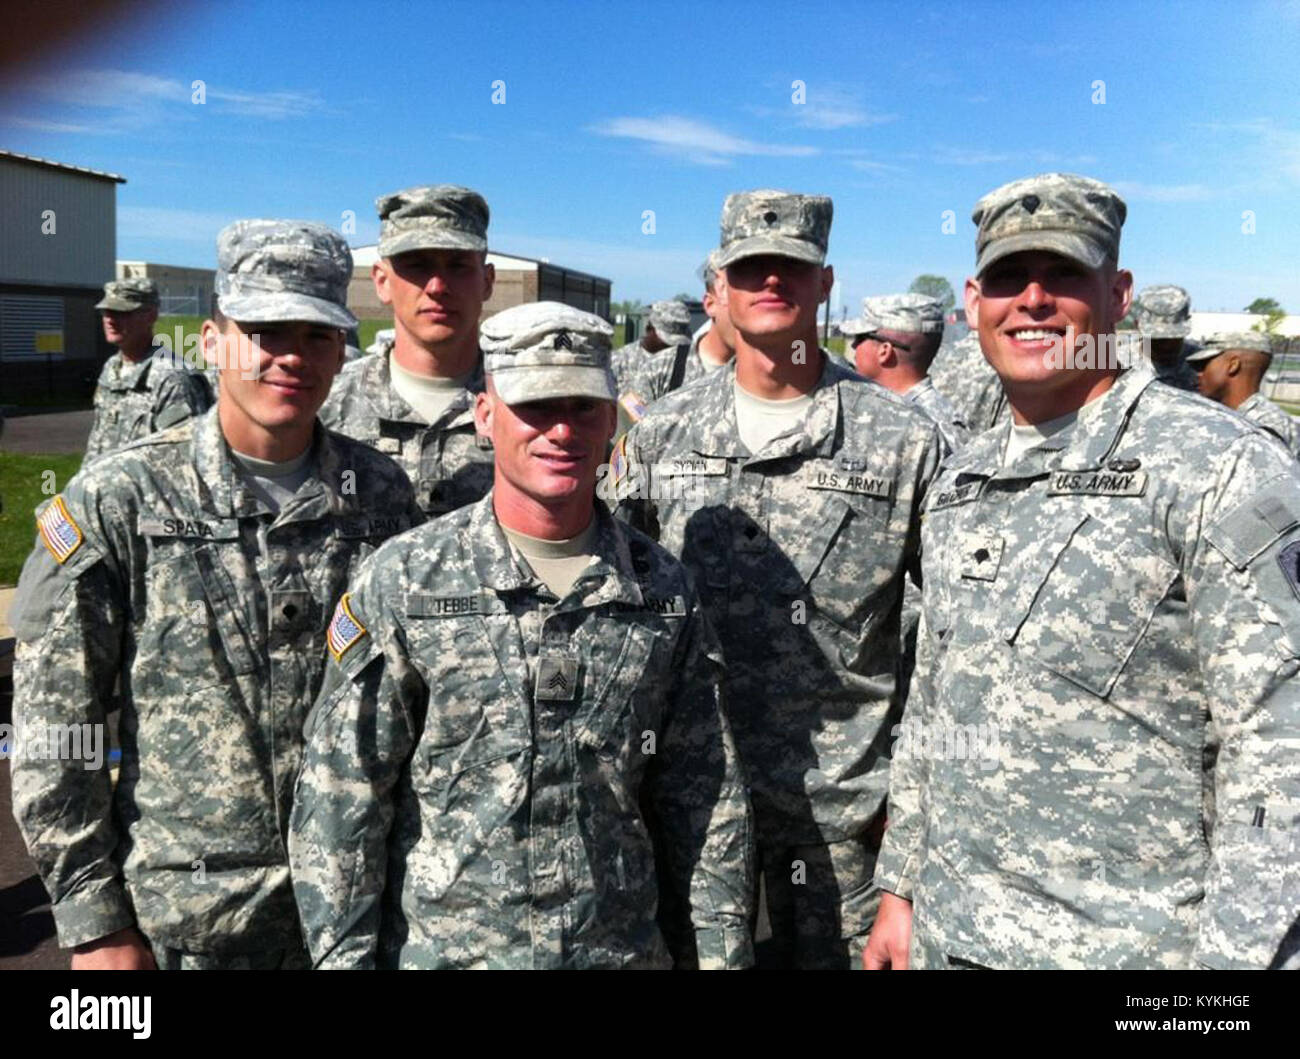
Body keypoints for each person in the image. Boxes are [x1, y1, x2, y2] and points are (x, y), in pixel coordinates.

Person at [864, 173, 1300, 971]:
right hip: (951, 937)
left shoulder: (1216, 465)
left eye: (1063, 273)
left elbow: (1281, 743)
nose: (1031, 299)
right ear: (972, 302)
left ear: (1118, 293)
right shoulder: (961, 481)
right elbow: (933, 699)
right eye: (1006, 279)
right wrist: (898, 889)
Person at [289, 301, 754, 970]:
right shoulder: (407, 578)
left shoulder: (661, 588)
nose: (561, 429)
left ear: (611, 421)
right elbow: (343, 794)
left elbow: (704, 799)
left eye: (583, 406)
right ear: (485, 415)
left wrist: (720, 957)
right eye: (535, 406)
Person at [9, 220, 420, 970]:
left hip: (356, 922)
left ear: (340, 350)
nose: (289, 354)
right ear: (211, 340)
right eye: (262, 330)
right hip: (185, 933)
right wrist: (94, 918)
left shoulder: (384, 497)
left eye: (316, 333)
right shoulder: (119, 499)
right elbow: (54, 725)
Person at [615, 190, 942, 969]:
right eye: (750, 267)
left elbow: (946, 652)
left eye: (791, 268)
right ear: (719, 287)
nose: (771, 283)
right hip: (686, 811)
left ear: (826, 284)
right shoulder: (663, 433)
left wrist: (912, 833)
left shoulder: (900, 441)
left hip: (841, 822)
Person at [319, 185, 496, 517]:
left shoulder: (524, 409)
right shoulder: (327, 407)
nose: (437, 287)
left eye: (458, 266)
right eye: (417, 265)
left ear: (487, 281)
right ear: (382, 281)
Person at [84, 278, 211, 460]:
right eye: (106, 312)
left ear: (150, 316)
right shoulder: (112, 368)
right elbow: (97, 441)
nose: (110, 320)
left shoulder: (172, 378)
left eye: (121, 312)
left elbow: (184, 460)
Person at [845, 293, 969, 452]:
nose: (854, 345)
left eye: (860, 337)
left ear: (885, 351)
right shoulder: (882, 406)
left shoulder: (938, 427)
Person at [628, 250, 738, 414]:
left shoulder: (772, 374)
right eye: (735, 298)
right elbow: (626, 430)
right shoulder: (661, 369)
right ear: (710, 305)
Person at [1188, 331, 1300, 458]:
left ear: (1233, 365)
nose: (1199, 374)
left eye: (1203, 365)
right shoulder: (1220, 413)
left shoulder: (1266, 426)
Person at [611, 298, 692, 400]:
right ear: (649, 329)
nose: (673, 348)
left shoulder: (689, 360)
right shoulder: (619, 361)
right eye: (667, 342)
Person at [1133, 283, 1196, 392]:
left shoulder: (1202, 364)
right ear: (1137, 325)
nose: (1167, 346)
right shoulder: (1119, 363)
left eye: (1174, 337)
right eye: (1158, 338)